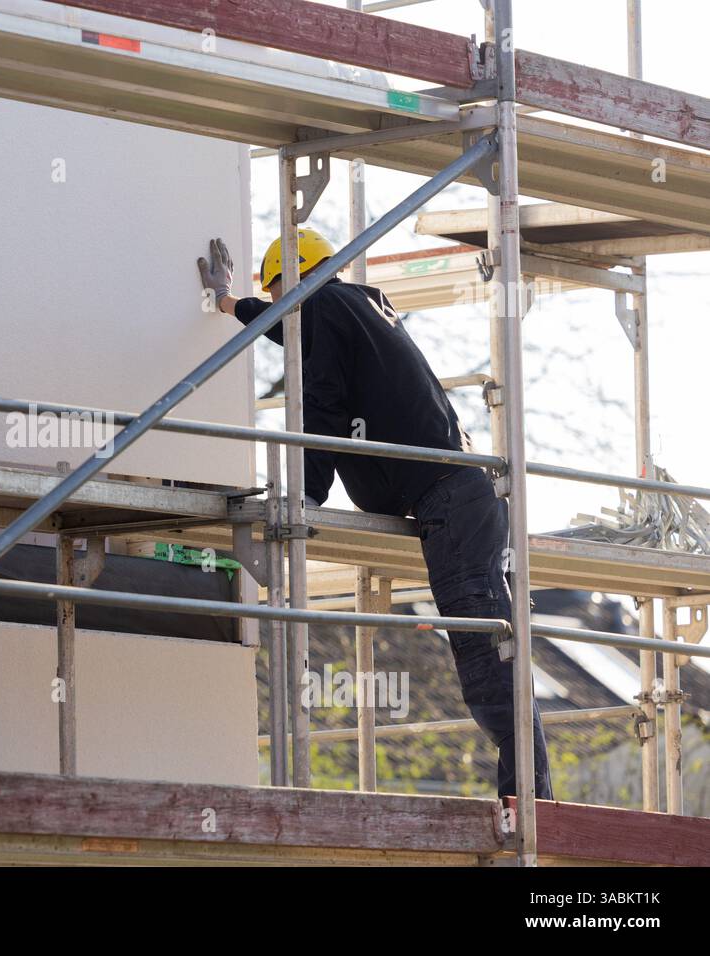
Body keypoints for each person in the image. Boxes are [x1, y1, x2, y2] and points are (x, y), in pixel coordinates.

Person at [198, 231, 552, 799]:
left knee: (484, 649)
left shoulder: (326, 308)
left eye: (282, 292)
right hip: (459, 497)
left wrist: (309, 495)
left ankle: (527, 800)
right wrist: (226, 302)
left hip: (449, 502)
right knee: (494, 640)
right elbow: (286, 329)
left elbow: (323, 403)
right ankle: (531, 792)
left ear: (300, 281)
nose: (287, 308)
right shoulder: (354, 308)